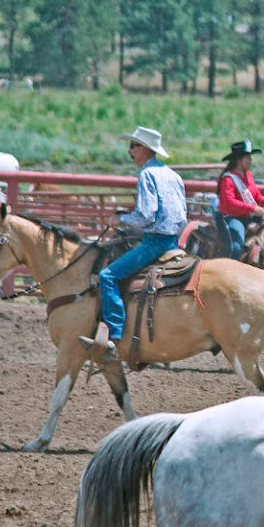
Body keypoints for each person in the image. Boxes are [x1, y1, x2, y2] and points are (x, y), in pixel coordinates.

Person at [80, 126, 187, 357]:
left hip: (155, 242)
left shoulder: (147, 174)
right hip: (174, 242)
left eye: (133, 147)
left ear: (145, 150)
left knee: (107, 276)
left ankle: (115, 334)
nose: (129, 152)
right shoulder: (173, 175)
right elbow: (182, 214)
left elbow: (146, 215)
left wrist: (120, 220)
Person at [215, 140, 264, 260]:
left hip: (247, 217)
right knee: (236, 247)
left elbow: (256, 195)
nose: (250, 160)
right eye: (247, 157)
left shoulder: (247, 175)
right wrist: (253, 208)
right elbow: (229, 202)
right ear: (239, 159)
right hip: (230, 217)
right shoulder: (228, 179)